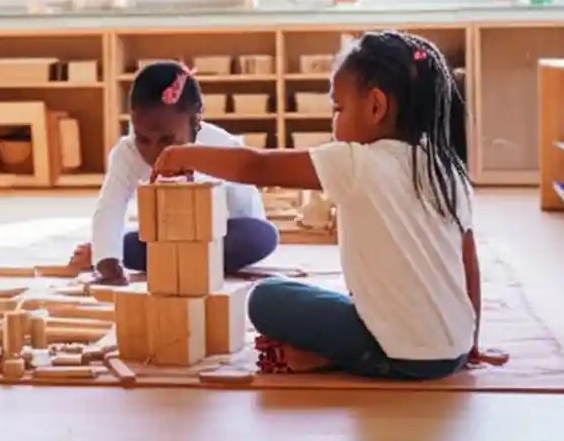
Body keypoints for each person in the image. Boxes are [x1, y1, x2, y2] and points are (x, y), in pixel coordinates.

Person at [150, 31, 508, 379]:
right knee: (337, 302)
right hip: (454, 350)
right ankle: (355, 353)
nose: (333, 120)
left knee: (267, 298)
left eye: (338, 108)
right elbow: (469, 266)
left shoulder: (356, 162)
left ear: (376, 106)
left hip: (402, 355)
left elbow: (257, 165)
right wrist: (470, 344)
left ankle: (343, 358)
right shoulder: (449, 171)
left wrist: (186, 154)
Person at [75, 61, 278, 285]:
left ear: (195, 122)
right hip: (166, 238)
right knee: (123, 246)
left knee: (262, 236)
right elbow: (110, 207)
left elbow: (245, 212)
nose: (154, 152)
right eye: (143, 139)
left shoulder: (222, 146)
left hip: (222, 235)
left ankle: (186, 264)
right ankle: (182, 264)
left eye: (166, 140)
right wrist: (107, 262)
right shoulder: (126, 153)